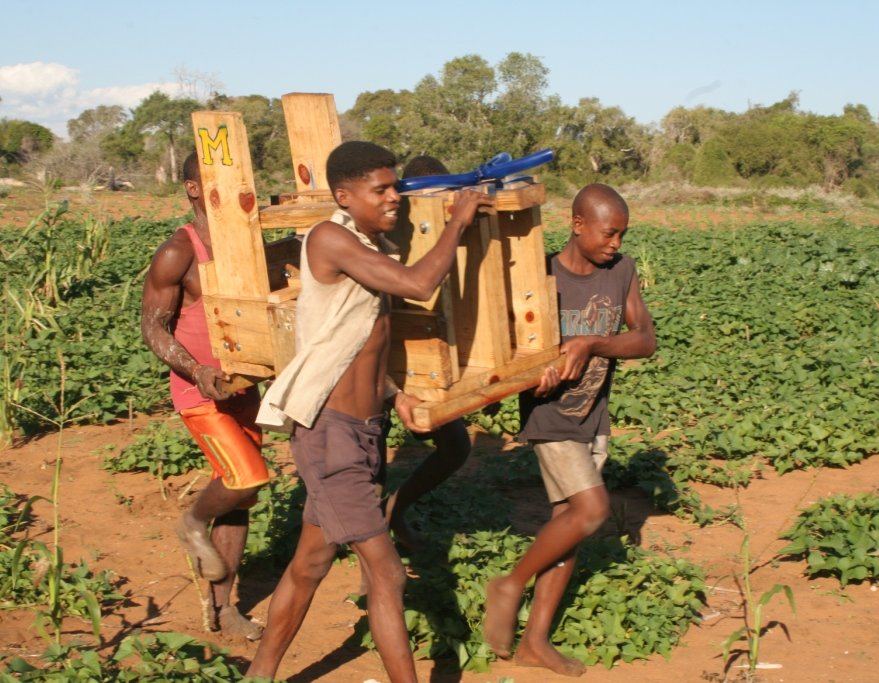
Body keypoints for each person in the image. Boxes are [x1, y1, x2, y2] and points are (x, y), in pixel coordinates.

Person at [248, 141, 494, 683]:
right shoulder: (330, 237)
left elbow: (359, 341)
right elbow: (419, 284)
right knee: (388, 574)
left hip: (363, 431)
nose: (394, 199)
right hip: (330, 435)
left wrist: (392, 393)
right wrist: (457, 222)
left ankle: (258, 676)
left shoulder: (369, 244)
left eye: (395, 188)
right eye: (380, 190)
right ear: (344, 195)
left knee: (311, 563)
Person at [483, 183, 657, 676]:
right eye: (609, 233)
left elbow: (645, 339)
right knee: (592, 509)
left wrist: (590, 344)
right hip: (550, 415)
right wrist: (528, 373)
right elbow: (506, 343)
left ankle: (534, 642)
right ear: (578, 225)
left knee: (568, 526)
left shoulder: (621, 271)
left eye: (622, 235)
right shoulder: (540, 276)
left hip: (593, 415)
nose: (615, 244)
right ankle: (509, 583)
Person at [140, 151, 270, 640]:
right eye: (219, 181)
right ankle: (192, 521)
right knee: (245, 477)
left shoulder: (247, 245)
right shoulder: (178, 251)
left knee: (241, 498)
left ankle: (222, 609)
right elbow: (152, 327)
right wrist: (196, 371)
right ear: (193, 188)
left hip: (244, 387)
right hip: (199, 392)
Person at [382, 154, 473, 552]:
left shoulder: (448, 231)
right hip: (380, 363)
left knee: (456, 446)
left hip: (423, 358)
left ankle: (393, 512)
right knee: (369, 460)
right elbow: (416, 286)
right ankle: (372, 554)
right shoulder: (390, 234)